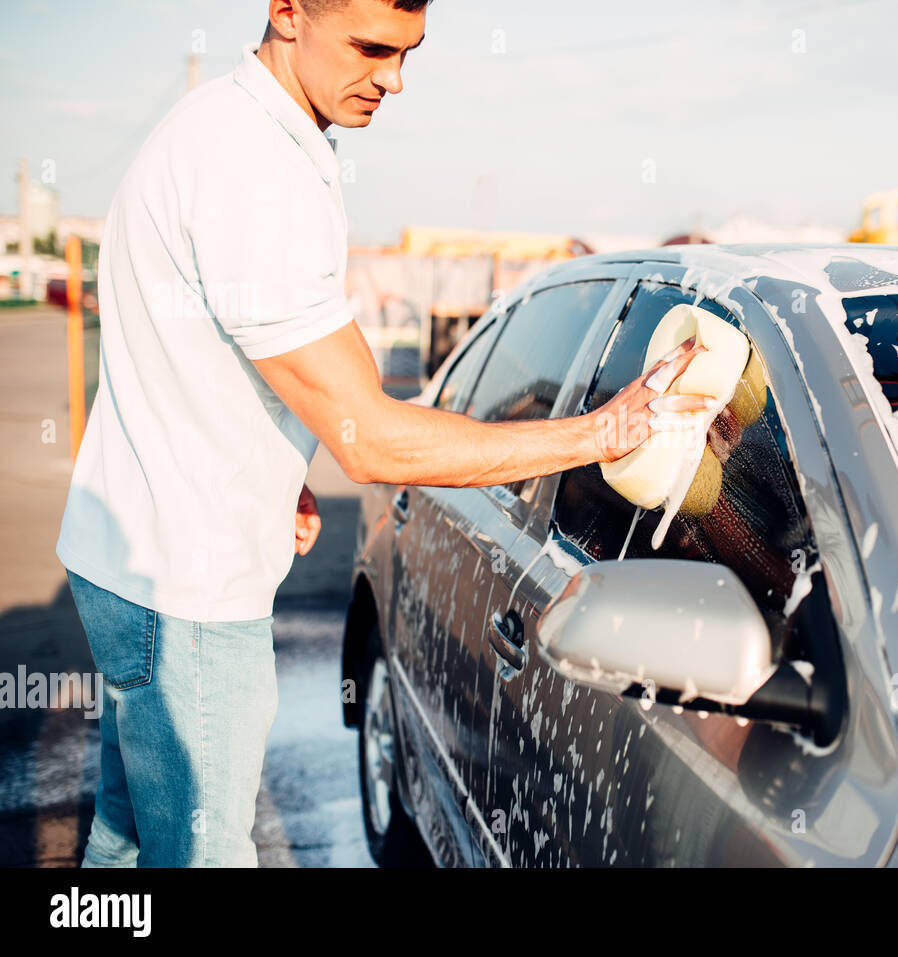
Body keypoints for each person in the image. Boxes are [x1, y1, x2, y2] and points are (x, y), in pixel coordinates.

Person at [55, 0, 711, 867]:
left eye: (409, 53)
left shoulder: (238, 131)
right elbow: (372, 440)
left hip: (132, 560)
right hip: (186, 595)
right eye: (370, 47)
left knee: (126, 839)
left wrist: (272, 455)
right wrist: (597, 433)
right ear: (287, 13)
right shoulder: (252, 167)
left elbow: (222, 351)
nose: (392, 78)